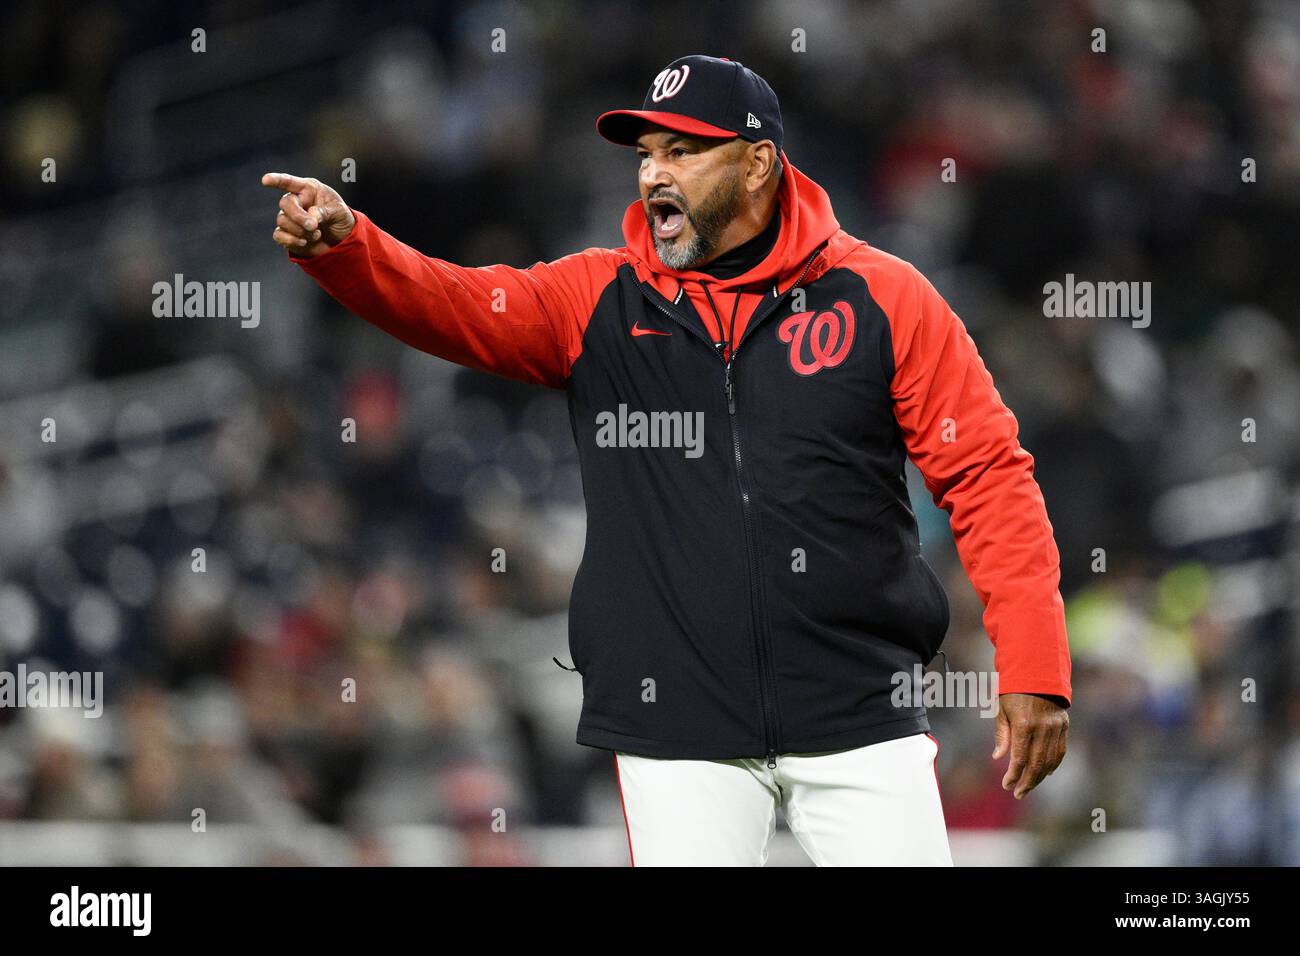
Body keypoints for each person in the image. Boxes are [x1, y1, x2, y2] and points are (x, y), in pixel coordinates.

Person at [262, 53, 1071, 866]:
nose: (654, 175)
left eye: (682, 152)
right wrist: (349, 249)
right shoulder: (596, 300)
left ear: (758, 164)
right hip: (674, 720)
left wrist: (1033, 663)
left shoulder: (886, 298)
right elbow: (455, 303)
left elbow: (989, 477)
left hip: (859, 704)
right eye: (647, 154)